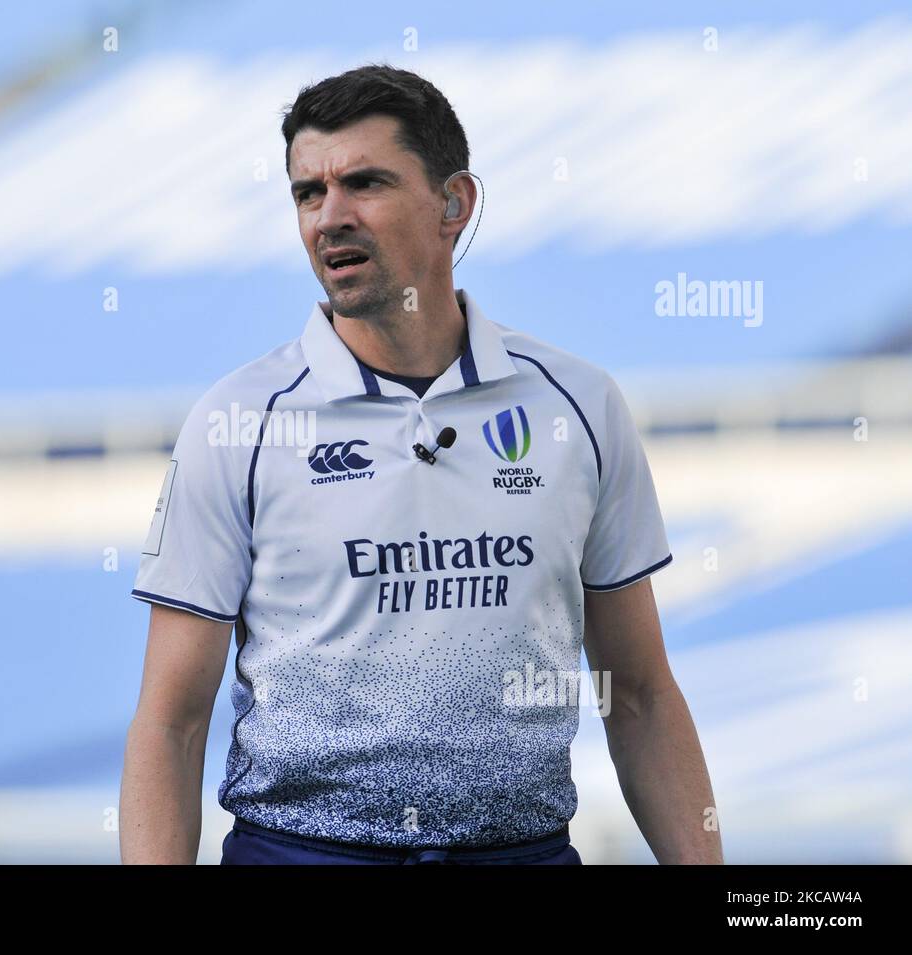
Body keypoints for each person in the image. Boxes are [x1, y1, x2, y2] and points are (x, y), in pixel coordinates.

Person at [119, 63, 722, 865]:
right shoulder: (240, 423)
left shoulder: (577, 406)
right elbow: (172, 720)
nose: (330, 217)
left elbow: (640, 696)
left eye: (364, 183)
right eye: (308, 193)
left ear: (454, 203)